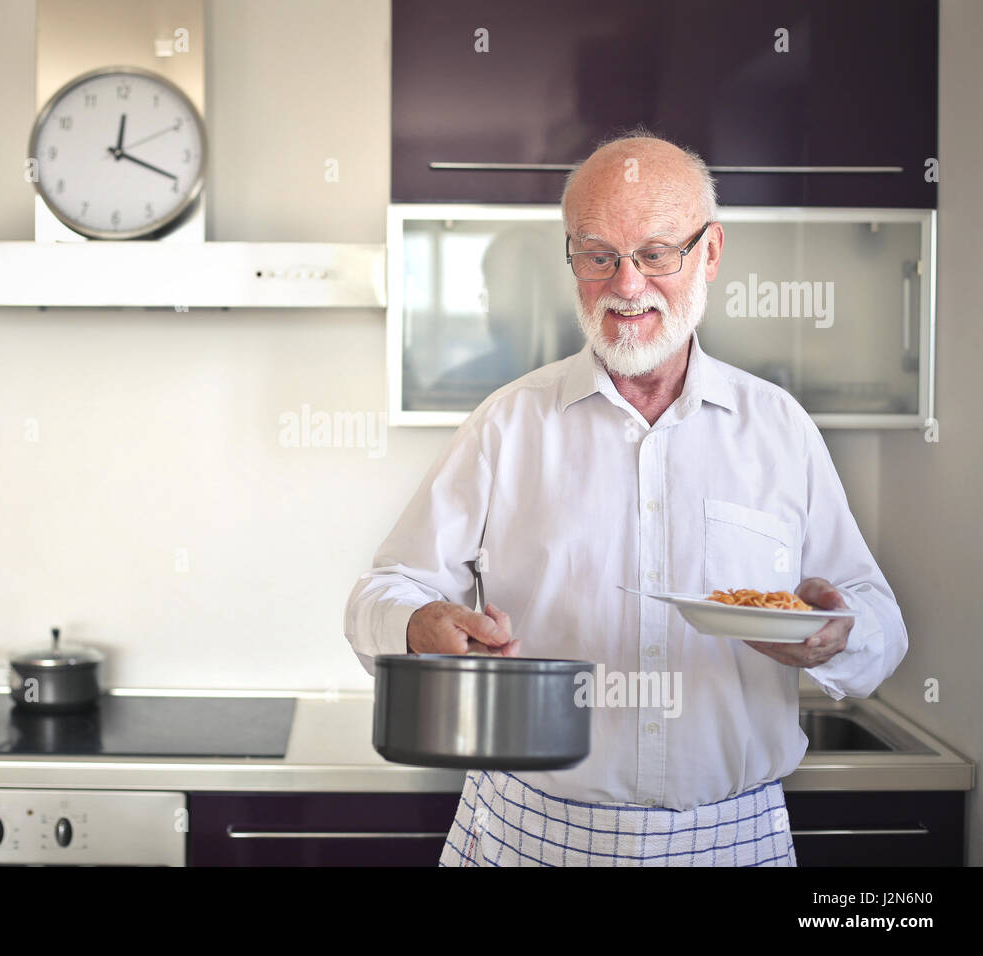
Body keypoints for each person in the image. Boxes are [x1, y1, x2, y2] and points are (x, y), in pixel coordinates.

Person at [343, 129, 908, 866]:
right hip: (529, 834)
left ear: (709, 254)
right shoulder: (508, 423)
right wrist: (421, 622)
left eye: (657, 253)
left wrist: (837, 633)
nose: (627, 285)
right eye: (598, 255)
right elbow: (376, 597)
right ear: (572, 259)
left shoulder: (779, 429)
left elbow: (882, 625)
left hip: (732, 841)